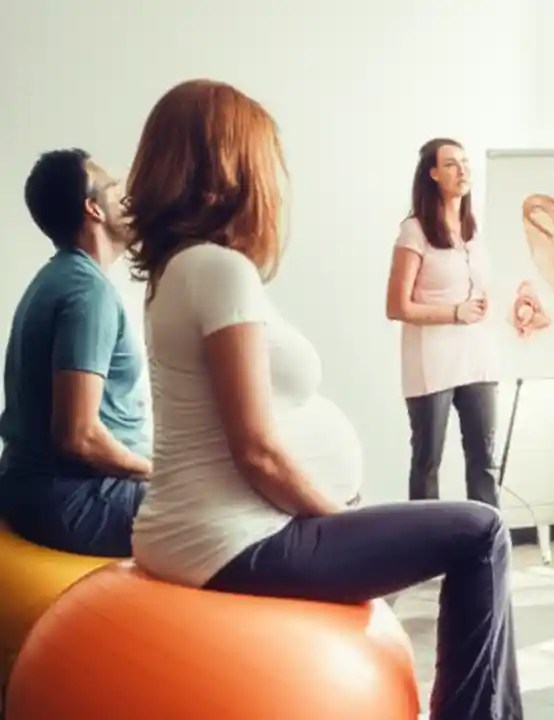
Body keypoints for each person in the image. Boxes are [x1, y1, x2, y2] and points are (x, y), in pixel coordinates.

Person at [125, 80, 522, 720]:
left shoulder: (181, 268)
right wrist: (335, 516)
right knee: (482, 531)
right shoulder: (220, 271)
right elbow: (256, 450)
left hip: (199, 532)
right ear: (231, 168)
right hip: (233, 540)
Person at [0, 149, 151, 557]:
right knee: (226, 511)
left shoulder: (58, 277)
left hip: (38, 489)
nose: (127, 199)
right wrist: (156, 470)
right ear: (93, 208)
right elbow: (78, 436)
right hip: (71, 498)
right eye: (115, 189)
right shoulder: (88, 293)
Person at [385, 138, 501, 507]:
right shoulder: (415, 231)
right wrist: (455, 312)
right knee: (427, 459)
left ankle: (488, 537)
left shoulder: (473, 230)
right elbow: (397, 306)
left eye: (465, 162)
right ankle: (425, 541)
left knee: (484, 459)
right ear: (433, 174)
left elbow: (481, 286)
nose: (462, 170)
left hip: (477, 357)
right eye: (451, 164)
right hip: (432, 360)